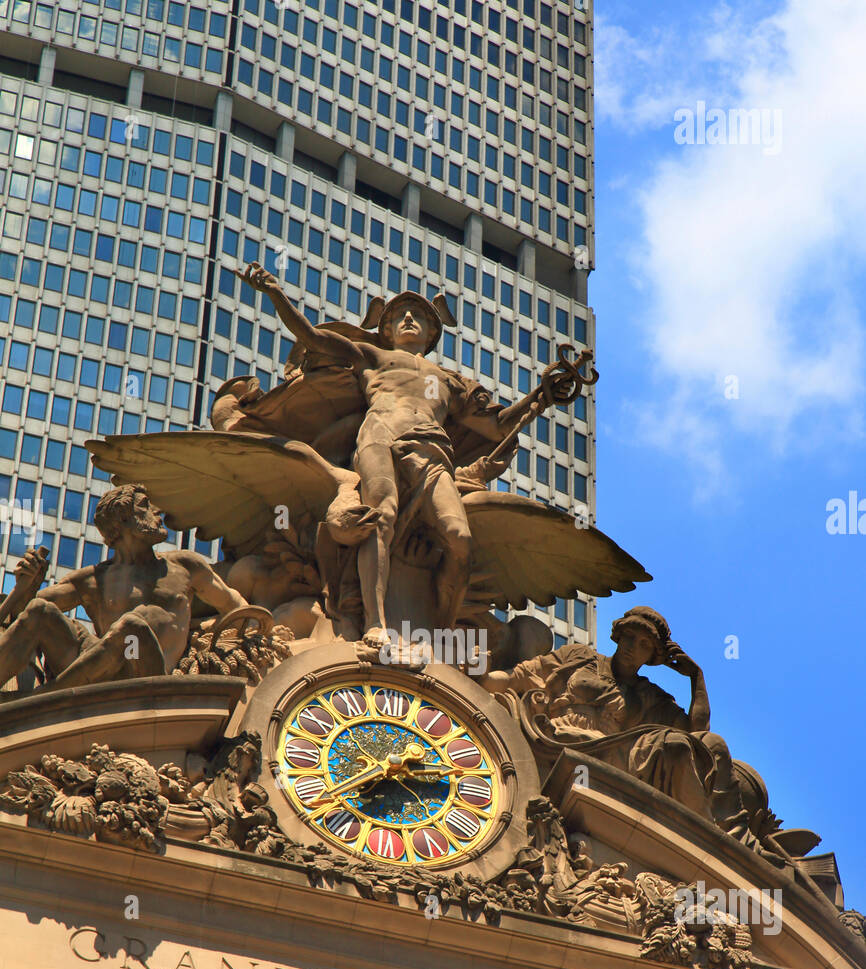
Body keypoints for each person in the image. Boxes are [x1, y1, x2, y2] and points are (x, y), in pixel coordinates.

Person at [236, 263, 555, 646]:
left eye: (417, 315)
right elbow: (313, 337)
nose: (407, 319)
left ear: (432, 331)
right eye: (398, 315)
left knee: (459, 537)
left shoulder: (450, 382)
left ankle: (439, 628)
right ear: (385, 330)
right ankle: (375, 623)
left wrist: (541, 395)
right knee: (380, 516)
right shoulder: (371, 356)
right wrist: (275, 293)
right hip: (380, 437)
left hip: (431, 449)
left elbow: (499, 427)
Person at [482, 606, 762, 848]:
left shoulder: (650, 696)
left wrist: (696, 678)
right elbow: (520, 676)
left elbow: (697, 734)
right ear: (618, 635)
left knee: (689, 745)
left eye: (644, 644)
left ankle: (706, 835)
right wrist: (479, 677)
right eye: (629, 637)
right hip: (557, 738)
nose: (632, 647)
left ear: (652, 656)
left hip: (610, 758)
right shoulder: (579, 656)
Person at [0, 484, 247, 691]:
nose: (157, 513)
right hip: (97, 669)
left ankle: (45, 697)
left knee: (132, 627)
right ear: (124, 519)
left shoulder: (185, 566)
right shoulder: (93, 579)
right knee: (40, 610)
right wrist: (25, 586)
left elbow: (237, 607)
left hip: (142, 673)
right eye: (146, 505)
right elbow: (22, 614)